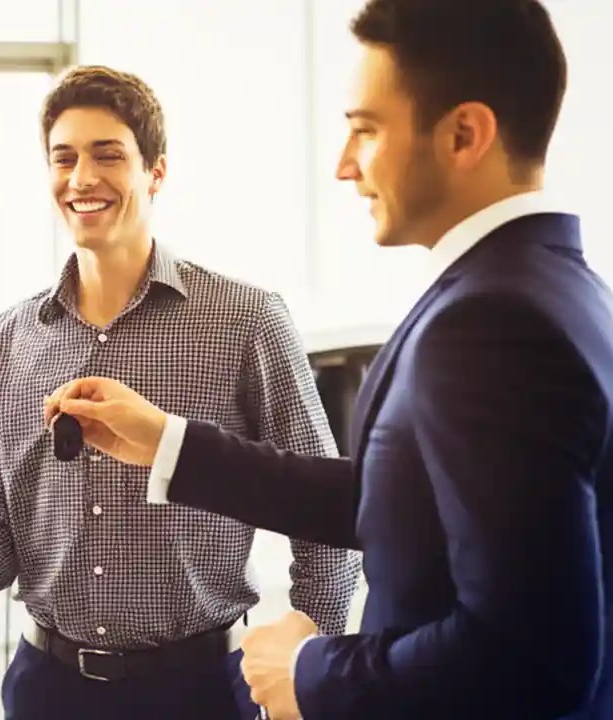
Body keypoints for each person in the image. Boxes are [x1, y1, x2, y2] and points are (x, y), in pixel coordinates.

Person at [45, 2, 613, 719]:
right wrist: (169, 444)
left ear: (464, 134)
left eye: (365, 131)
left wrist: (311, 671)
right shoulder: (555, 284)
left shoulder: (489, 324)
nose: (345, 166)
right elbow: (397, 501)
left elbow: (529, 658)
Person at [0, 66, 361, 719]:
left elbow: (324, 519)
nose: (81, 178)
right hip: (47, 690)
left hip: (200, 692)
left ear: (157, 172)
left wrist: (310, 662)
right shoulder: (8, 343)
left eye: (107, 155)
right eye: (64, 158)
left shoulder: (244, 322)